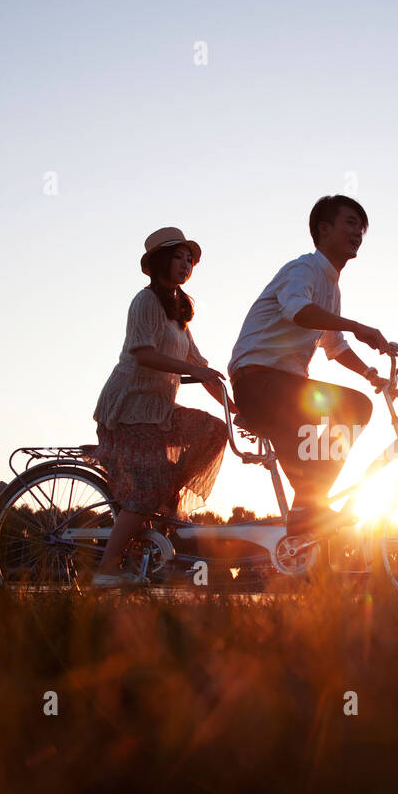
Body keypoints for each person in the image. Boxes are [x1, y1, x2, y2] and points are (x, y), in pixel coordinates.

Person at [228, 195, 393, 538]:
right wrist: (357, 325)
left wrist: (370, 374)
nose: (358, 233)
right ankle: (307, 505)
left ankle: (306, 532)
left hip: (282, 386)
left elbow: (334, 346)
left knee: (313, 485)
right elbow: (297, 310)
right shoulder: (304, 268)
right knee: (355, 406)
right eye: (350, 223)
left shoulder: (332, 288)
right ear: (323, 229)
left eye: (361, 227)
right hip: (260, 380)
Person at [91, 226, 234, 586]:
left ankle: (166, 490)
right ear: (159, 262)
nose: (187, 264)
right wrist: (190, 368)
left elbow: (202, 369)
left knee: (214, 430)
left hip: (159, 413)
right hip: (129, 409)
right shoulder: (145, 301)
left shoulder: (178, 313)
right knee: (142, 495)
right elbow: (143, 352)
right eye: (179, 257)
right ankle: (106, 571)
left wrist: (236, 410)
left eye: (191, 259)